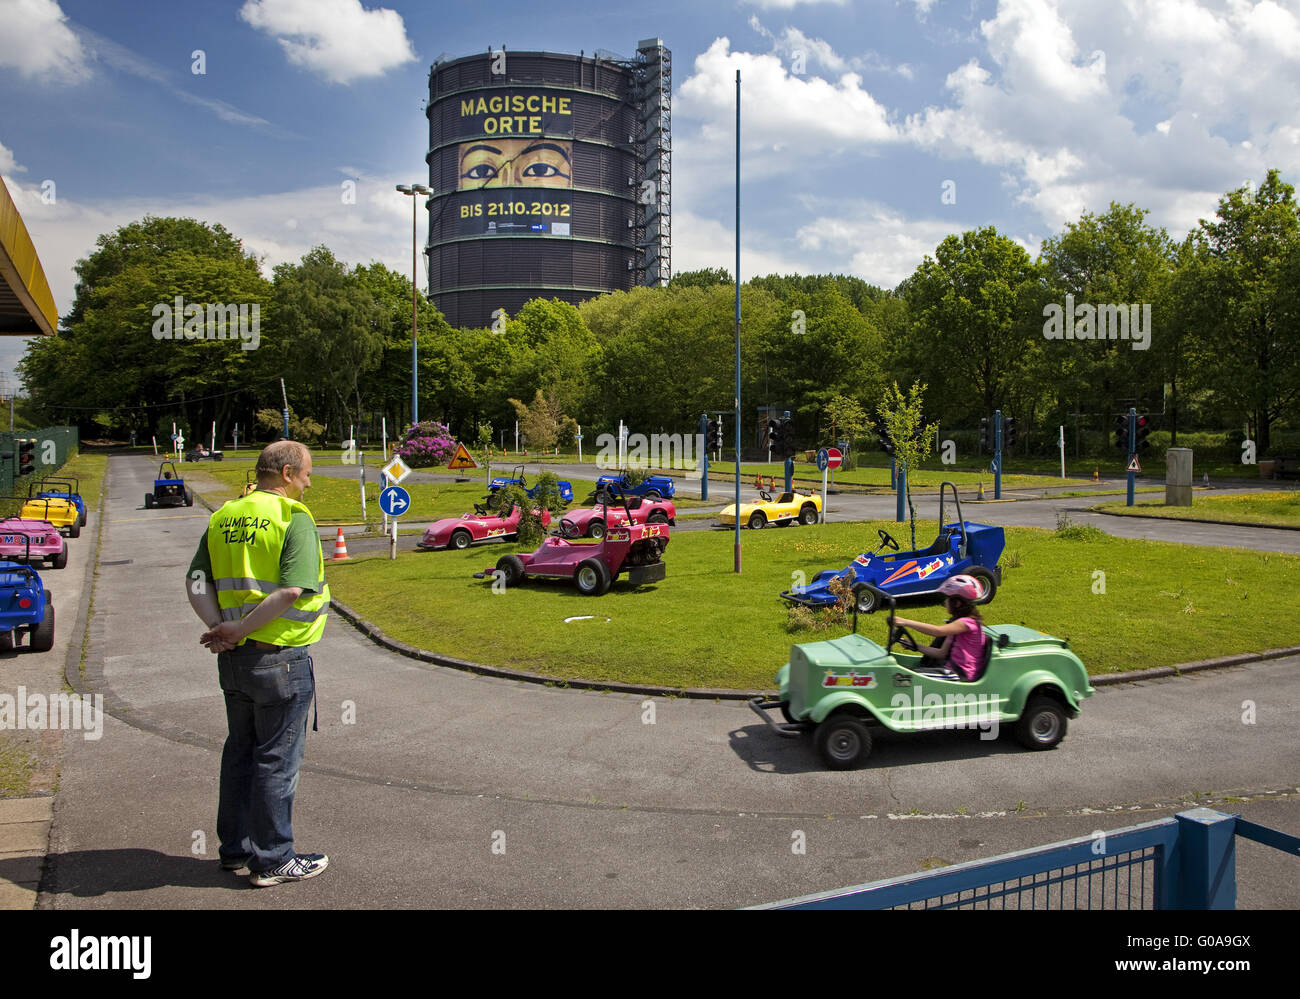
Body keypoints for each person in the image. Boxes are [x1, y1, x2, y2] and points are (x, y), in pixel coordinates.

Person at [185, 440, 331, 887]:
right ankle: (273, 860)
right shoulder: (293, 518)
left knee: (240, 753)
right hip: (280, 659)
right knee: (276, 761)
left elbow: (194, 581)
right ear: (286, 474)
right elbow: (291, 591)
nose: (308, 482)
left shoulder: (223, 515)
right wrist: (242, 629)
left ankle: (235, 850)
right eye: (306, 474)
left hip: (234, 662)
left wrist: (220, 628)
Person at [892, 575, 988, 681]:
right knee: (899, 673)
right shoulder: (958, 624)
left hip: (959, 675)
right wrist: (913, 645)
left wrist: (906, 622)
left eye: (947, 599)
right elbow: (941, 653)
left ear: (957, 603)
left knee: (900, 677)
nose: (945, 602)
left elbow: (938, 631)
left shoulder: (967, 623)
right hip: (950, 671)